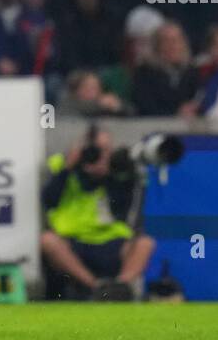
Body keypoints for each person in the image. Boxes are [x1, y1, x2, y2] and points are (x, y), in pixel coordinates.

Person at [39, 127, 156, 301]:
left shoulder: (117, 170)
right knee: (48, 241)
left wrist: (110, 176)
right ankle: (97, 288)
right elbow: (49, 200)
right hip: (74, 240)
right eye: (95, 149)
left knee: (145, 243)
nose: (99, 155)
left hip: (110, 239)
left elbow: (122, 209)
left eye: (105, 150)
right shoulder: (61, 164)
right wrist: (69, 168)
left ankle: (119, 287)